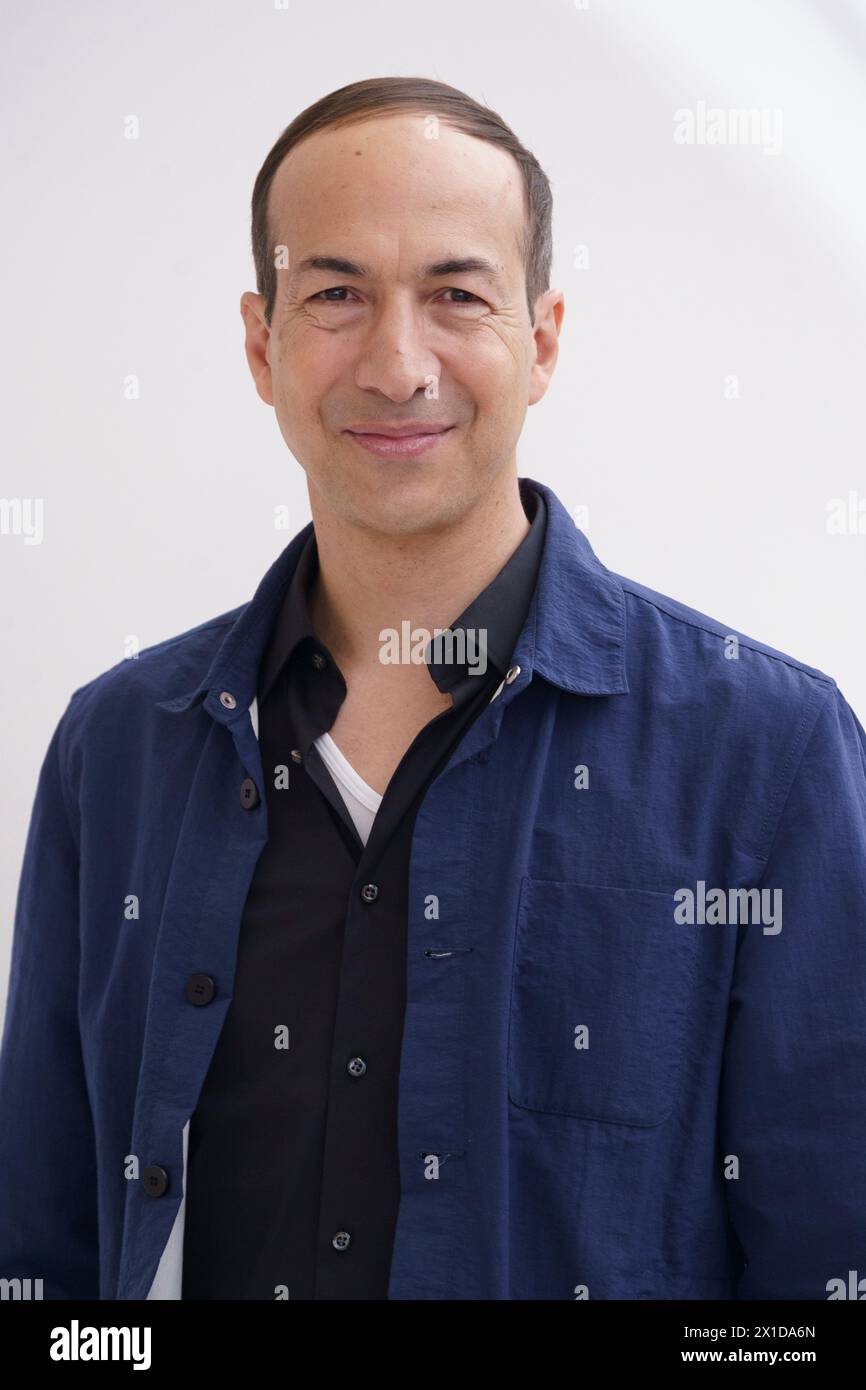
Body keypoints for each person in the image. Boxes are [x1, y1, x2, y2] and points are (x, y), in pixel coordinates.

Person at [1, 76, 864, 1302]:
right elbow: (42, 1254)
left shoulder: (766, 751)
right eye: (336, 295)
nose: (398, 365)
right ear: (259, 343)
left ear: (542, 339)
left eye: (455, 294)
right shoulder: (119, 747)